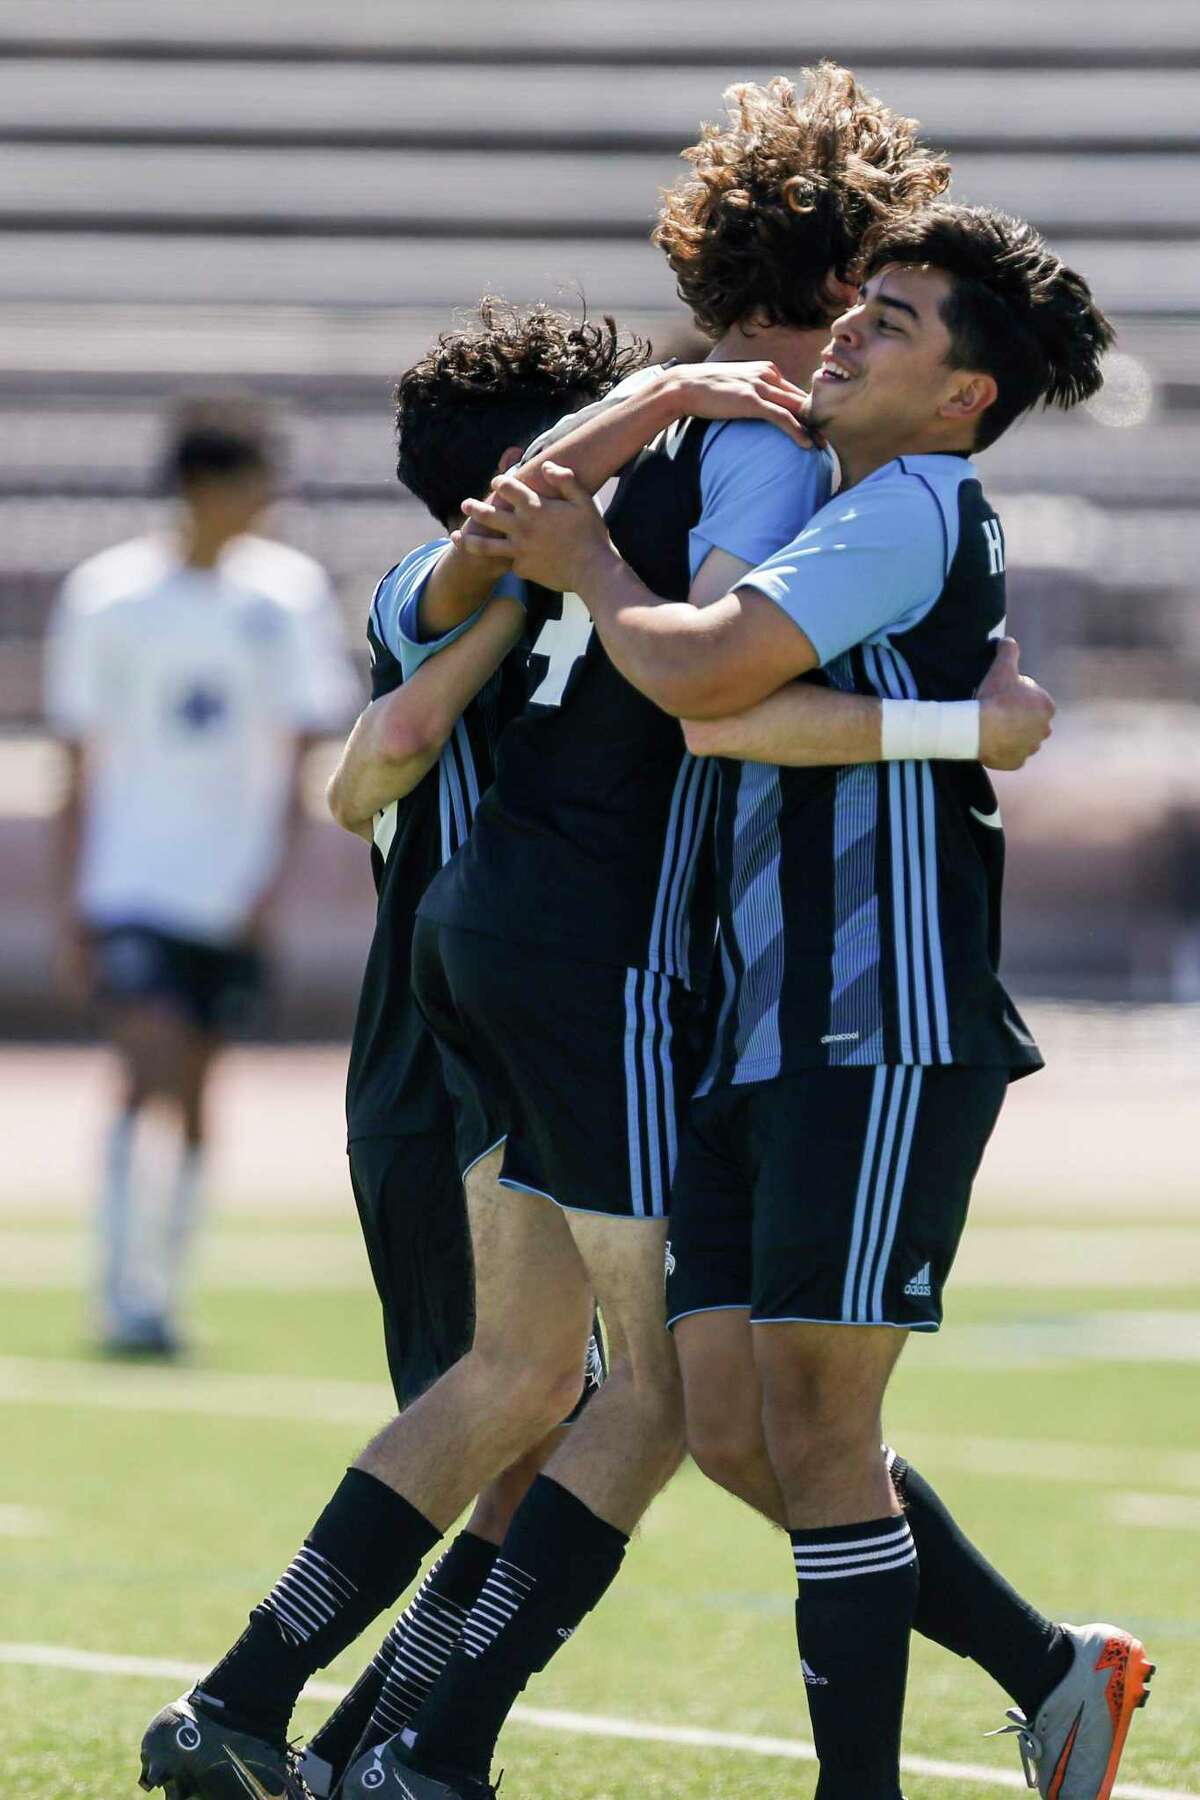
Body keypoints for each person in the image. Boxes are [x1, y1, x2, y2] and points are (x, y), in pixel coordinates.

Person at [458, 203, 1153, 1800]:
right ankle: (1053, 1667)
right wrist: (940, 726)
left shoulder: (908, 506)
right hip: (765, 1017)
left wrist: (589, 564)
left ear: (965, 394)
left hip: (877, 1018)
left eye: (894, 323)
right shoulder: (857, 504)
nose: (850, 330)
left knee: (820, 1427)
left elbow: (701, 682)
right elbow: (724, 719)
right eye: (862, 304)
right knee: (728, 1424)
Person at [46, 396, 355, 1358]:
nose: (267, 498)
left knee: (196, 1089)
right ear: (197, 485)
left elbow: (304, 746)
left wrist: (273, 879)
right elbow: (76, 756)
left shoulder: (286, 596)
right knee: (148, 1063)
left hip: (230, 888)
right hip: (131, 881)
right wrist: (69, 900)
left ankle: (163, 1287)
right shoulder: (109, 595)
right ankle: (120, 1289)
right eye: (252, 478)